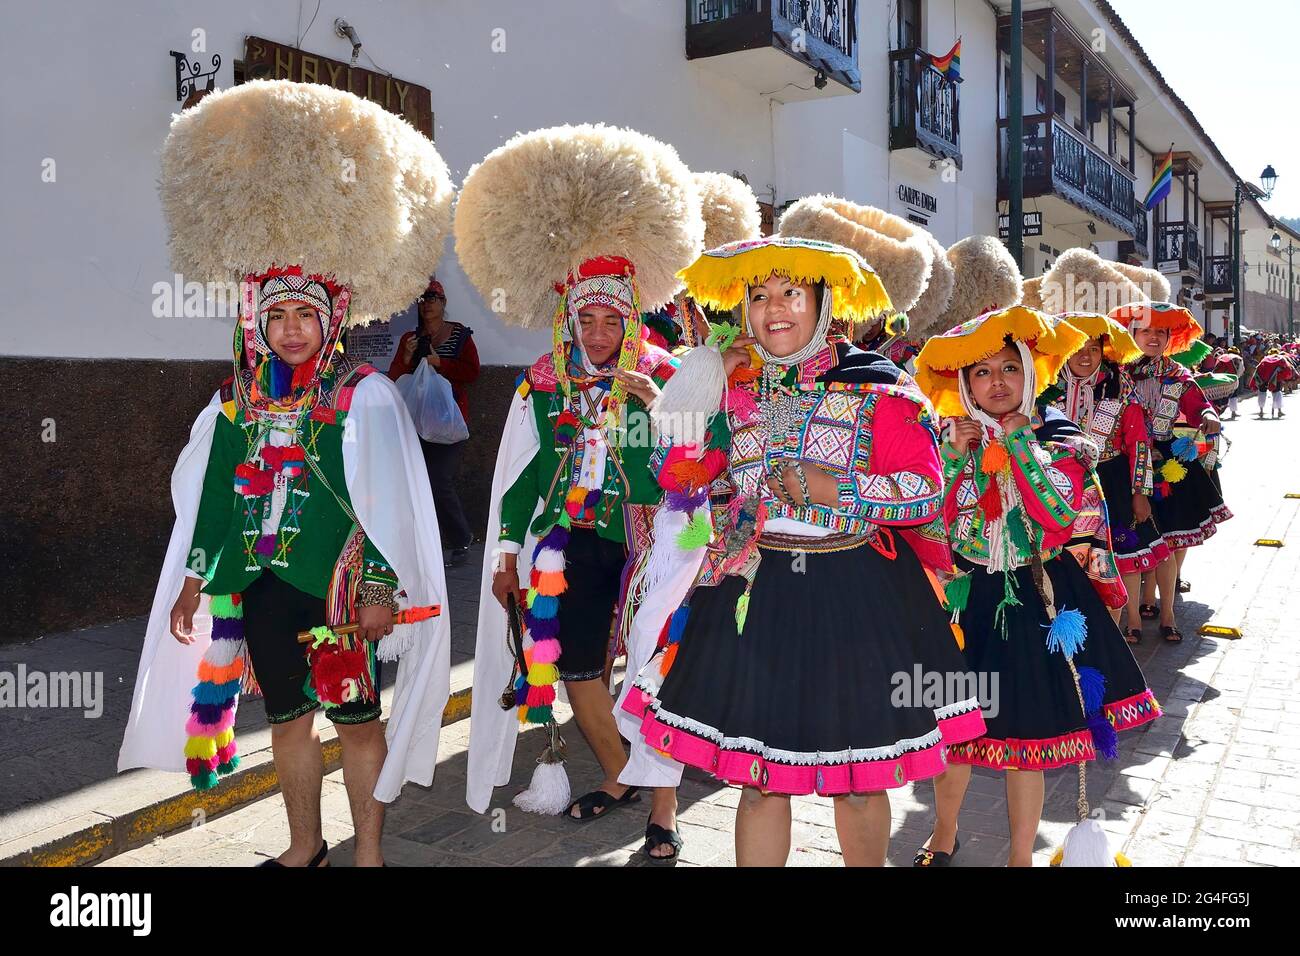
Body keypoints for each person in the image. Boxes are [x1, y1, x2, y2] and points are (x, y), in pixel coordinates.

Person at [118, 80, 455, 867]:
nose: (292, 329)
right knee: (289, 722)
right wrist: (197, 580)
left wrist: (378, 587)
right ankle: (306, 848)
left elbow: (388, 505)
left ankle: (367, 852)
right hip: (265, 585)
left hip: (338, 589)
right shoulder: (237, 399)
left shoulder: (361, 396)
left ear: (331, 319)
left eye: (305, 314)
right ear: (259, 322)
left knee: (358, 722)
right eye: (277, 316)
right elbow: (213, 497)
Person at [622, 235, 986, 867]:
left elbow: (925, 495)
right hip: (759, 595)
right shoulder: (733, 388)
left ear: (823, 300)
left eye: (791, 292)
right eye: (759, 296)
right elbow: (676, 471)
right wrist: (698, 391)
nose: (774, 309)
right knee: (760, 782)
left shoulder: (879, 386)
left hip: (858, 596)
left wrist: (835, 488)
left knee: (859, 782)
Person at [460, 124, 705, 862]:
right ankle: (621, 774)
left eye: (612, 318)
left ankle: (664, 813)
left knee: (654, 667)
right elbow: (525, 474)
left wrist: (657, 402)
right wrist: (506, 554)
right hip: (569, 543)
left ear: (632, 316)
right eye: (586, 317)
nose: (598, 332)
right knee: (573, 666)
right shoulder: (544, 380)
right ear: (570, 317)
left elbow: (696, 465)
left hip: (652, 540)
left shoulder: (670, 371)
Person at [912, 305, 1161, 867]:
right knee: (953, 731)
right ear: (964, 383)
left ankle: (1020, 857)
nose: (996, 383)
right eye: (981, 372)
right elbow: (933, 529)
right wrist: (953, 459)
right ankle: (943, 833)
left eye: (1008, 369)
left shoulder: (1065, 443)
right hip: (969, 603)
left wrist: (1021, 442)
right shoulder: (951, 442)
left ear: (1029, 375)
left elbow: (1056, 516)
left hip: (1039, 600)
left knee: (1028, 742)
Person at [1040, 313, 1165, 644]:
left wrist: (1140, 492)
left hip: (1110, 482)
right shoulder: (1045, 389)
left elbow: (1139, 443)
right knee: (1067, 558)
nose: (1085, 356)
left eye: (1093, 349)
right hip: (1058, 484)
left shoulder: (1120, 389)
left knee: (1117, 557)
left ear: (1103, 353)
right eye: (1078, 348)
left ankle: (1123, 625)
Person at [1113, 302, 1230, 641]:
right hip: (1128, 463)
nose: (1153, 337)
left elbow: (1197, 403)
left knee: (1169, 535)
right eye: (1146, 331)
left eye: (1160, 332)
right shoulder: (1118, 372)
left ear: (1169, 338)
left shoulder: (1179, 375)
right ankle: (1138, 606)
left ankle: (1164, 610)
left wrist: (1208, 415)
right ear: (1133, 335)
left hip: (1166, 460)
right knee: (1137, 536)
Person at [388, 278, 480, 566]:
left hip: (448, 422)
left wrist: (441, 364)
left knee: (440, 480)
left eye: (432, 298)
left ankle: (460, 538)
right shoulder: (409, 338)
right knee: (413, 479)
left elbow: (472, 372)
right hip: (414, 420)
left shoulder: (460, 335)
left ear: (443, 303)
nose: (427, 304)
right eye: (422, 299)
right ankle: (419, 541)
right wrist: (406, 356)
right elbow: (395, 377)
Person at [1248, 347, 1295, 418]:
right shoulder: (1281, 359)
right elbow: (1287, 369)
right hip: (1275, 378)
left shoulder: (1264, 359)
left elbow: (1258, 370)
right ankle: (1279, 411)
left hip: (1263, 378)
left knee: (1262, 393)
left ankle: (1261, 411)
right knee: (1277, 393)